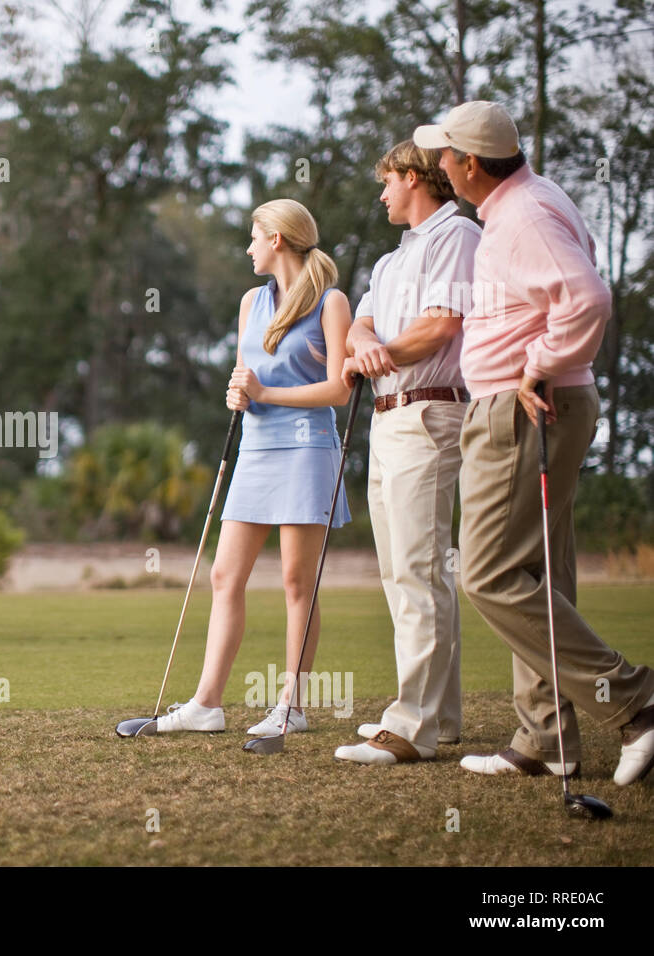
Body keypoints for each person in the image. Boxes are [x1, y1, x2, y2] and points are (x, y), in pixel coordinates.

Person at [413, 100, 654, 784]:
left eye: (444, 155)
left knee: (488, 573)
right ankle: (546, 739)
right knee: (539, 573)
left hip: (525, 408)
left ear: (468, 164)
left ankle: (637, 704)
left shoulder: (521, 217)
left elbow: (588, 299)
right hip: (539, 403)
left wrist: (539, 363)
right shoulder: (534, 199)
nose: (438, 166)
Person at [154, 198, 354, 736]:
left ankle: (292, 705)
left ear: (277, 240)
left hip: (308, 450)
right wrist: (239, 392)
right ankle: (207, 704)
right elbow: (247, 373)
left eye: (253, 237)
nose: (248, 248)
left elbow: (340, 388)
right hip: (256, 449)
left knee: (296, 582)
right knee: (225, 575)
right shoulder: (250, 302)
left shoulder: (331, 304)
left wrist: (268, 391)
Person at [332, 141, 481, 766]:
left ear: (416, 177)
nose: (382, 193)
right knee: (403, 571)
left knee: (419, 569)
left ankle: (412, 724)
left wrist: (380, 352)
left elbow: (443, 324)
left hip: (430, 408)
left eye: (387, 182)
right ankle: (440, 715)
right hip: (389, 418)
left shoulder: (457, 235)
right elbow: (357, 327)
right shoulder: (394, 260)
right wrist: (366, 344)